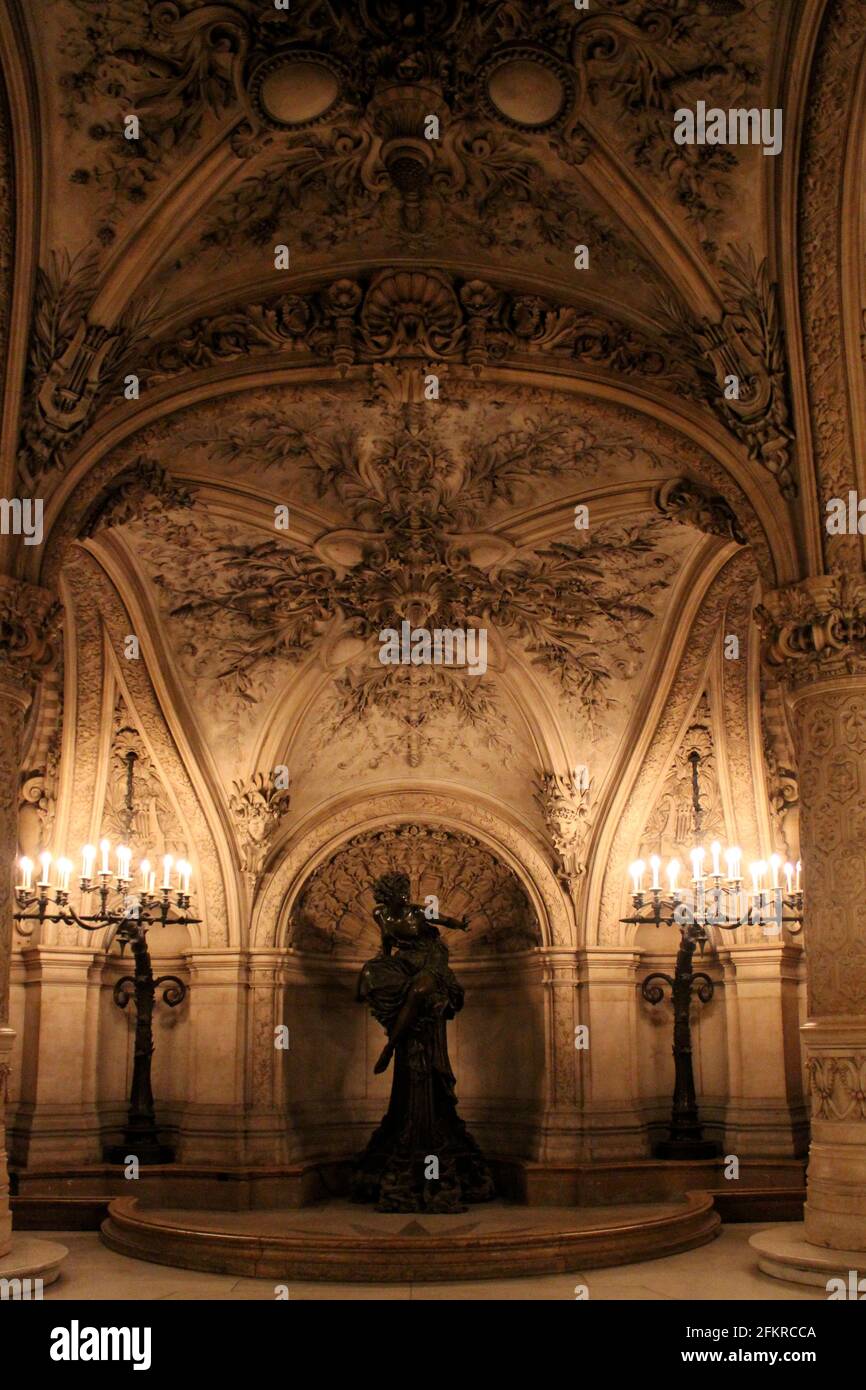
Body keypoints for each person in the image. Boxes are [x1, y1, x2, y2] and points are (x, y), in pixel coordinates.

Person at [357, 871, 469, 1074]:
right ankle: (387, 1013)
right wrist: (386, 958)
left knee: (418, 991)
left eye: (405, 891)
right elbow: (386, 939)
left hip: (431, 956)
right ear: (388, 896)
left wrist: (460, 924)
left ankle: (388, 1049)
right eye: (399, 892)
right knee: (369, 972)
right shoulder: (379, 914)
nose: (405, 895)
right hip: (406, 957)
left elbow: (444, 920)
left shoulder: (416, 912)